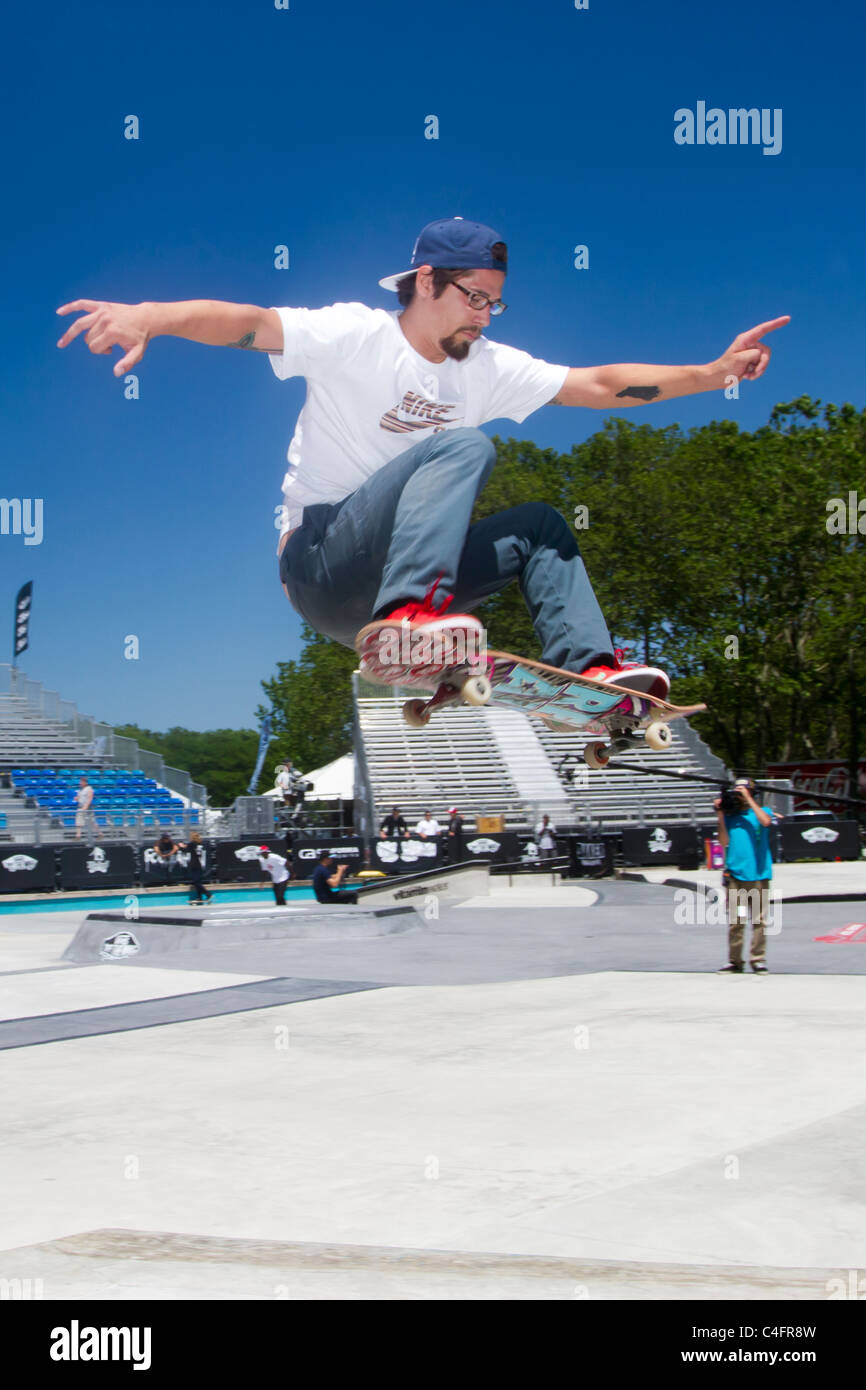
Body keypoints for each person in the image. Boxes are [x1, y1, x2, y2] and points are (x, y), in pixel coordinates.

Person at [57, 220, 788, 693]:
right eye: (475, 297)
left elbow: (596, 384)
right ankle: (407, 619)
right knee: (462, 445)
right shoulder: (354, 335)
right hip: (322, 566)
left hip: (409, 591)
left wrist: (712, 374)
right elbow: (250, 325)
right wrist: (151, 316)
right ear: (428, 281)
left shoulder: (491, 365)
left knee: (538, 525)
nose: (484, 316)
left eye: (495, 304)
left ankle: (589, 672)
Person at [714, 778, 782, 974]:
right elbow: (724, 841)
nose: (738, 794)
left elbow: (766, 821)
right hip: (736, 873)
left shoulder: (762, 812)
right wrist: (720, 814)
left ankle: (758, 959)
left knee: (759, 920)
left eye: (742, 791)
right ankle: (735, 961)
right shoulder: (730, 816)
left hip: (759, 874)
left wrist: (748, 799)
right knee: (736, 921)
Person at [177, 831, 212, 905]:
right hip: (199, 864)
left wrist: (181, 845)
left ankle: (208, 894)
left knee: (196, 882)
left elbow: (185, 849)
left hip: (194, 865)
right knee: (197, 882)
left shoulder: (192, 844)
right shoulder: (200, 844)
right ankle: (199, 897)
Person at [74, 776, 97, 841]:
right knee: (78, 821)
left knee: (92, 822)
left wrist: (86, 806)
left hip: (88, 808)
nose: (80, 783)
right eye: (80, 781)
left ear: (85, 782)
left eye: (81, 782)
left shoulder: (89, 789)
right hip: (80, 807)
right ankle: (78, 836)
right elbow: (79, 798)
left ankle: (100, 834)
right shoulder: (80, 790)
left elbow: (90, 798)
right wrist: (77, 799)